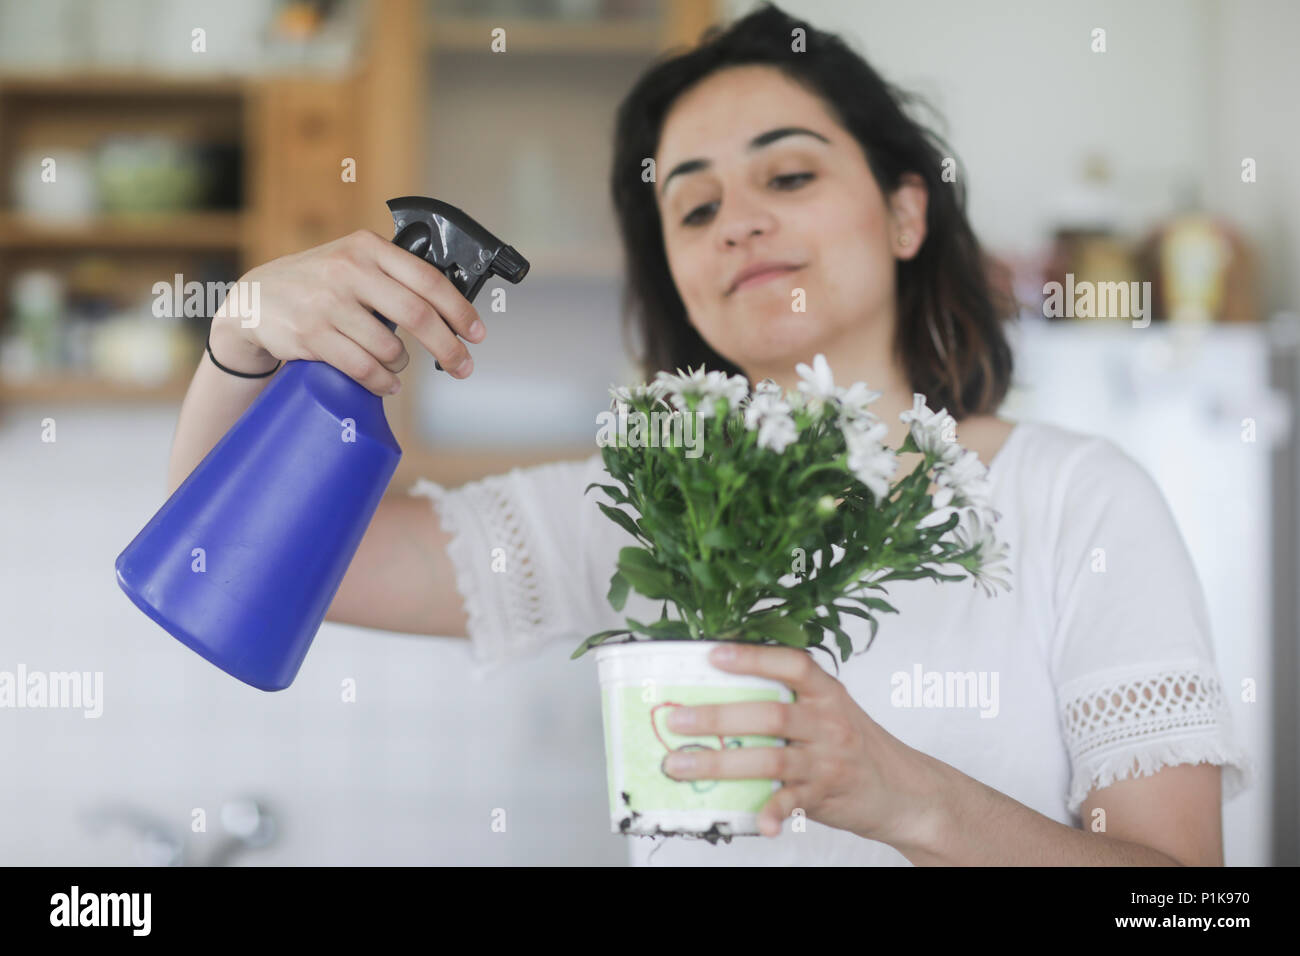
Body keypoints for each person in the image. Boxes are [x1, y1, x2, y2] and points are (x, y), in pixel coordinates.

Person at [168, 2, 1250, 866]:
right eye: (692, 207)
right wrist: (243, 334)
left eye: (788, 174)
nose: (737, 220)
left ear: (905, 211)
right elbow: (235, 566)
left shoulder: (1076, 500)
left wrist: (903, 796)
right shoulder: (649, 504)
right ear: (678, 276)